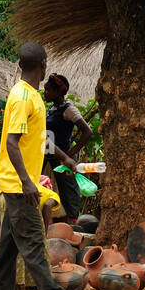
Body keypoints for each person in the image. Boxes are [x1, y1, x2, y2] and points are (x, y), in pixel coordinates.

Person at [0, 42, 75, 290]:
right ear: (43, 64)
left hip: (19, 181)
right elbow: (11, 142)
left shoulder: (31, 95)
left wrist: (65, 158)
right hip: (18, 184)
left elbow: (38, 137)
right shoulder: (22, 97)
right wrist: (27, 182)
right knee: (33, 240)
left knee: (9, 241)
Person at [42, 73, 92, 223]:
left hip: (63, 158)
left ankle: (73, 225)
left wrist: (69, 154)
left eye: (48, 89)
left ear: (58, 92)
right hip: (47, 155)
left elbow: (87, 132)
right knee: (42, 186)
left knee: (68, 191)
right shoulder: (52, 107)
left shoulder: (69, 110)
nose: (45, 92)